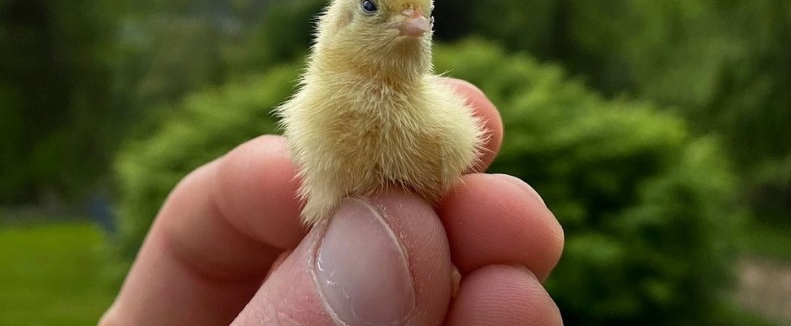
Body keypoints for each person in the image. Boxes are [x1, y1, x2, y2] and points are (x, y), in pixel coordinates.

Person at [100, 79, 564, 325]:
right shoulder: (325, 106)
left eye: (424, 13)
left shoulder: (433, 114)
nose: (412, 21)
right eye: (372, 10)